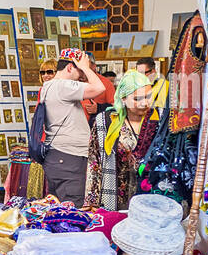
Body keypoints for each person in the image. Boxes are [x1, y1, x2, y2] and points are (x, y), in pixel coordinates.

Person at [40, 52, 105, 205]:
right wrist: (86, 67)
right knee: (73, 209)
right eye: (80, 71)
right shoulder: (64, 86)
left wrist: (83, 67)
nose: (83, 75)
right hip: (70, 158)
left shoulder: (48, 86)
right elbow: (99, 87)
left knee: (60, 209)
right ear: (70, 68)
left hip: (57, 157)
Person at [85, 70, 155, 211]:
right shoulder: (106, 122)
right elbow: (94, 163)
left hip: (149, 200)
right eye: (137, 99)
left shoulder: (157, 121)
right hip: (116, 199)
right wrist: (91, 202)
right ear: (123, 99)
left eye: (148, 97)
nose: (144, 103)